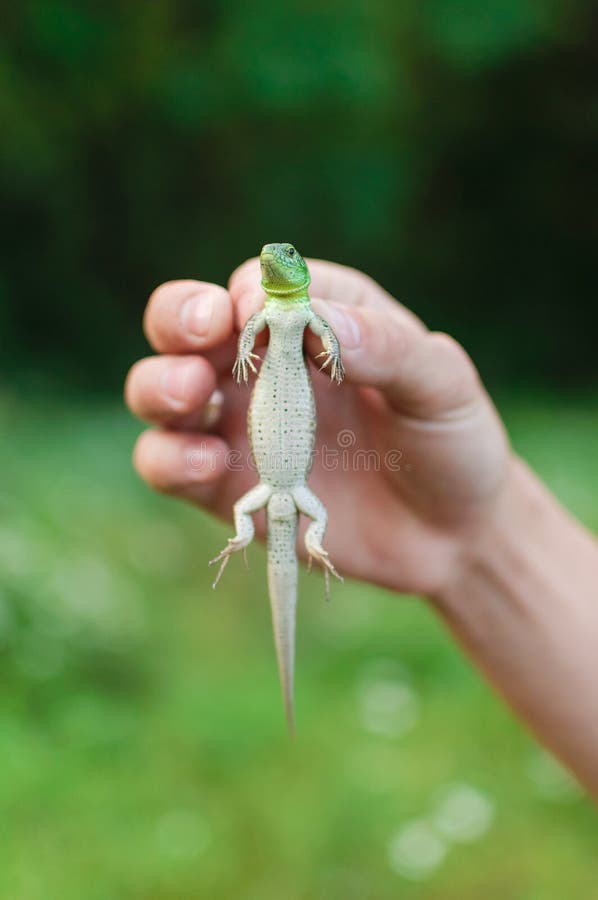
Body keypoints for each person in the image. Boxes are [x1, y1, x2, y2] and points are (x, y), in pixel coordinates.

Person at [125, 256, 598, 798]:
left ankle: (273, 542)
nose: (276, 259)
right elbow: (251, 333)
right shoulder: (269, 313)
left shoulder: (303, 310)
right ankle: (249, 540)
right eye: (271, 259)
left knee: (297, 521)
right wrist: (484, 538)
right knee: (278, 519)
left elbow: (325, 333)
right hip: (282, 487)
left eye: (287, 256)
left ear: (300, 274)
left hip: (285, 487)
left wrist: (332, 349)